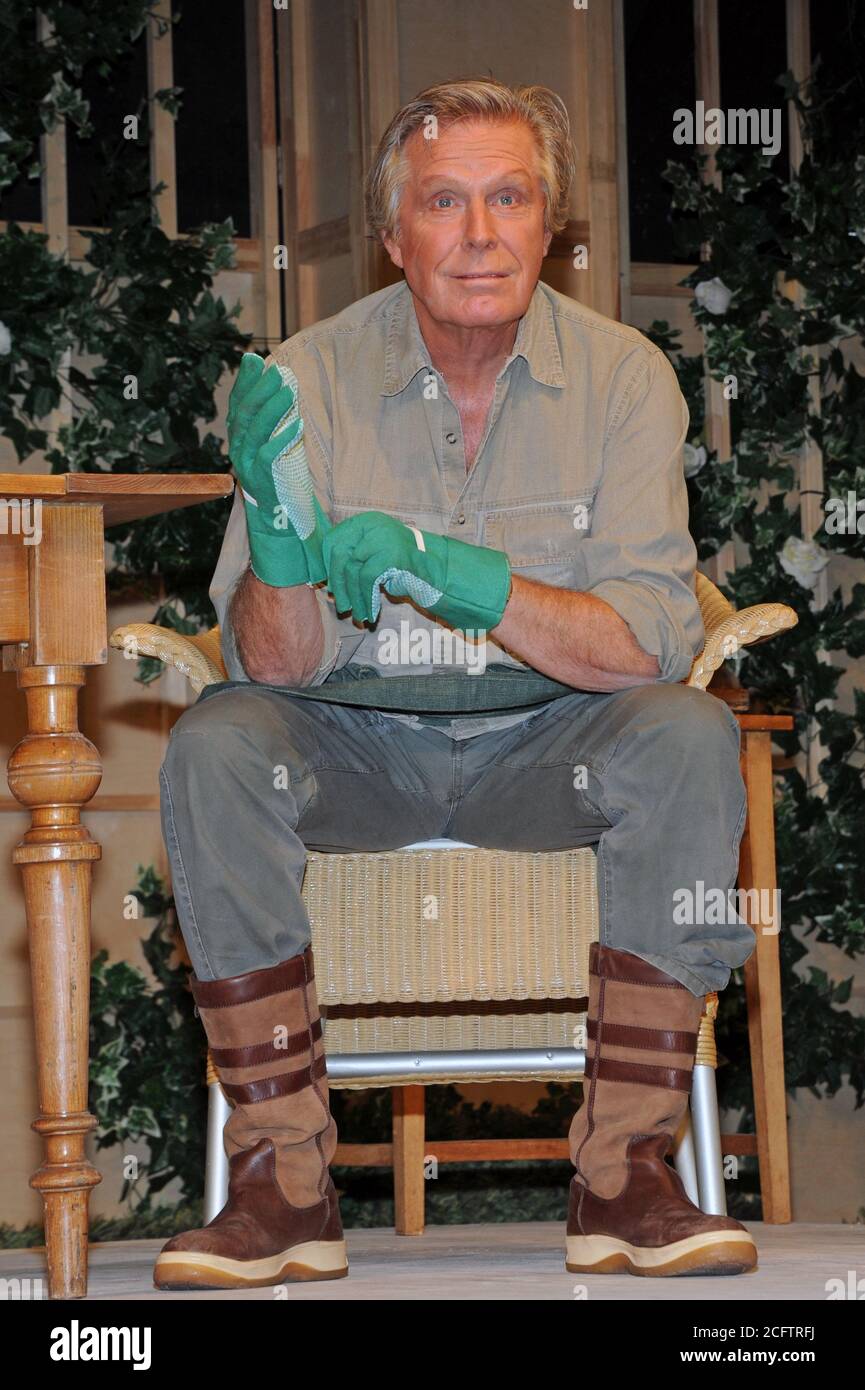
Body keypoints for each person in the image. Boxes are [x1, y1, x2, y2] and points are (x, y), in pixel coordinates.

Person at [153, 77, 758, 1291]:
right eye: (443, 201)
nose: (479, 234)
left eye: (509, 198)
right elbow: (270, 667)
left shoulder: (628, 377)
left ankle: (623, 1173)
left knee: (690, 733)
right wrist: (279, 540)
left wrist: (458, 577)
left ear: (551, 228)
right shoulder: (308, 377)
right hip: (352, 748)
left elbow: (644, 639)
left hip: (555, 747)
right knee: (219, 741)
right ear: (392, 236)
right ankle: (284, 1182)